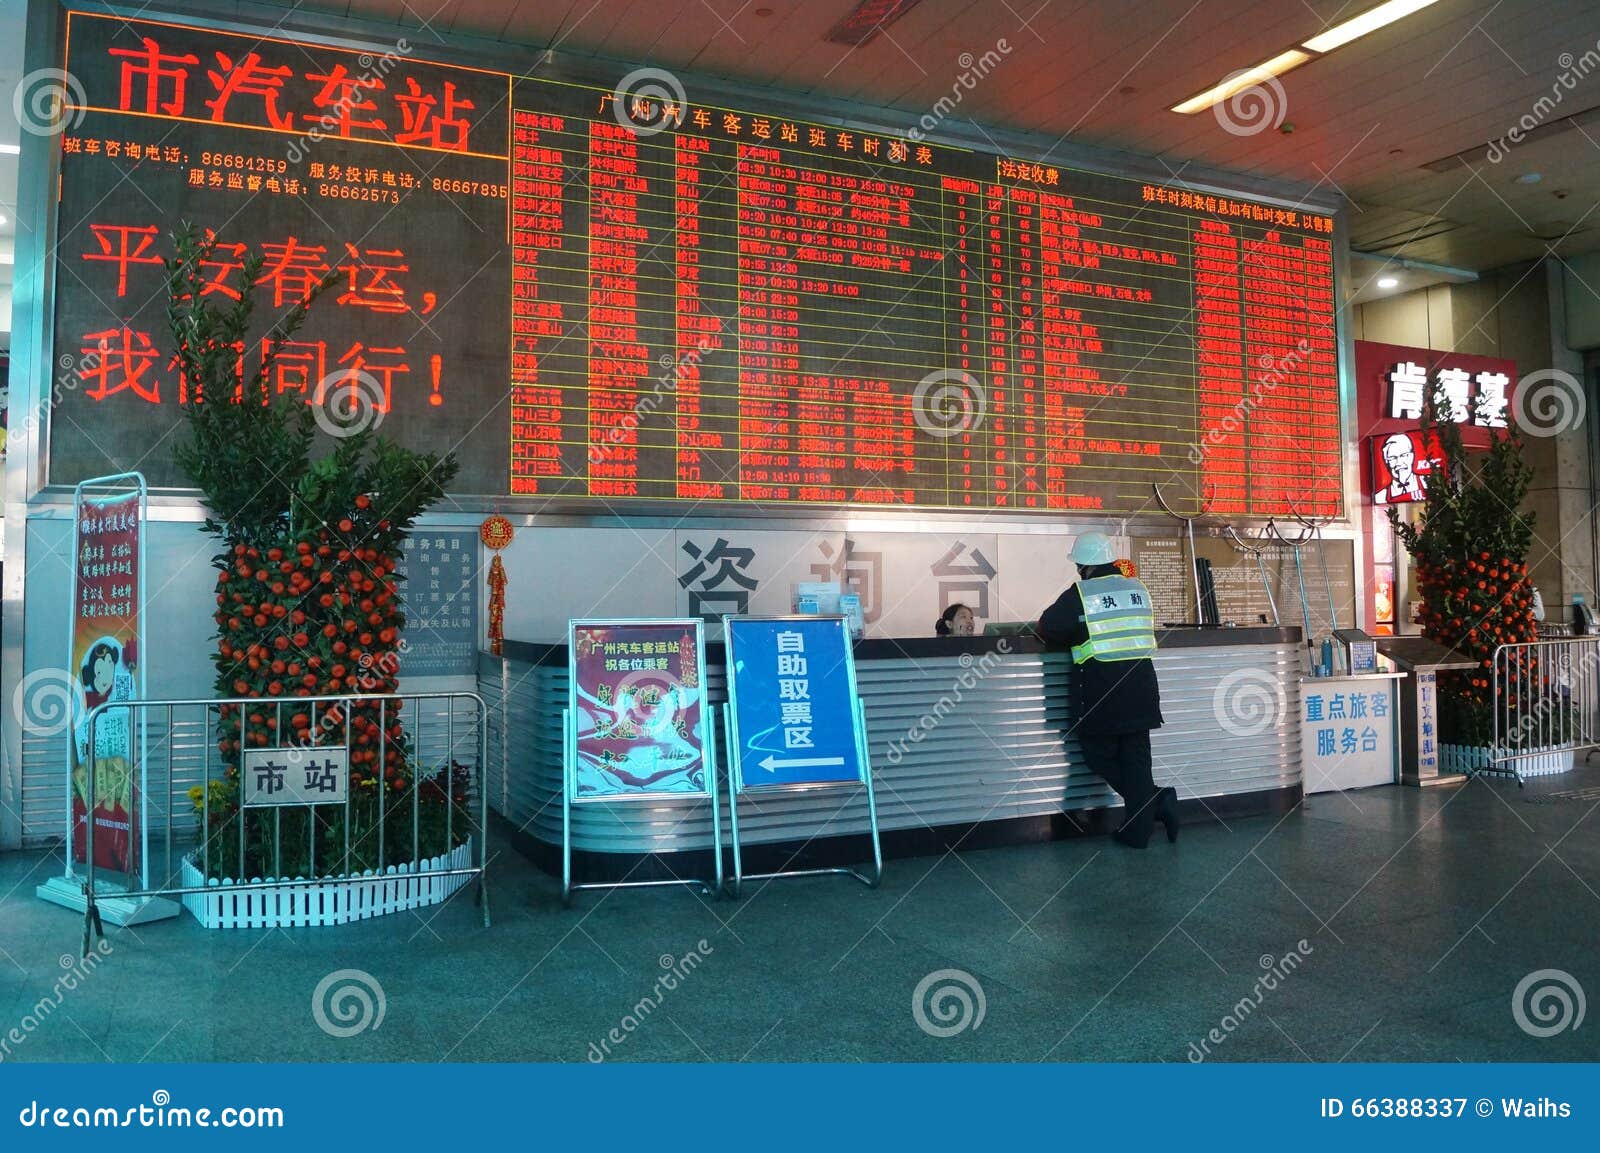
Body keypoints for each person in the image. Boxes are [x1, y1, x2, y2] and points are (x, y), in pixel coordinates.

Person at [1036, 531, 1177, 848]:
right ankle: (1140, 828)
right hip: (1142, 689)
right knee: (1137, 761)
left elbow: (1047, 627)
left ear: (1083, 565)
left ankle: (1158, 800)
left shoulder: (1082, 593)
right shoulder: (1137, 588)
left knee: (1096, 756)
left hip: (1102, 691)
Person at [1373, 432, 1425, 505]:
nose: (1399, 463)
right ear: (1386, 462)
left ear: (1411, 457)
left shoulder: (1428, 483)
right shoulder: (1380, 497)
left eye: (1403, 455)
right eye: (1392, 458)